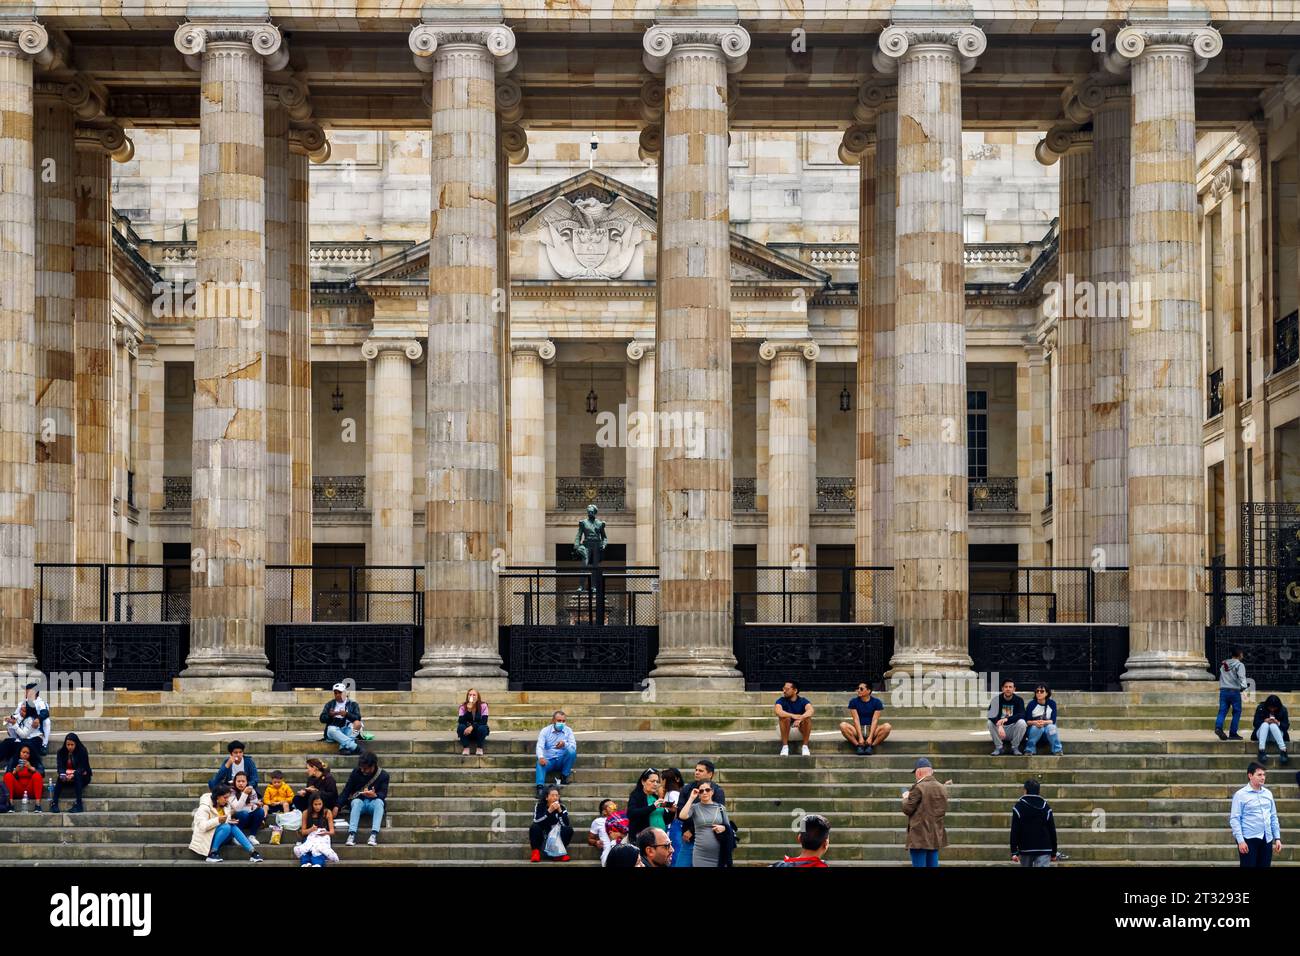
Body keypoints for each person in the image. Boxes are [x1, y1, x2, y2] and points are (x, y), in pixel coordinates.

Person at [190, 785, 264, 863]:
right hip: (206, 839)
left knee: (231, 826)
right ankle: (212, 853)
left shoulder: (225, 805)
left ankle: (253, 852)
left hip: (219, 835)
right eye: (225, 797)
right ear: (217, 797)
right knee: (226, 827)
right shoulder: (204, 807)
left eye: (228, 797)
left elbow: (225, 820)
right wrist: (218, 820)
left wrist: (228, 821)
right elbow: (202, 827)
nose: (227, 800)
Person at [676, 759, 726, 868]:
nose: (697, 772)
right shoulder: (687, 788)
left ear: (710, 774)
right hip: (688, 840)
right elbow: (680, 812)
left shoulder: (717, 791)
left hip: (709, 840)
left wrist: (691, 830)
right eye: (696, 770)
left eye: (701, 771)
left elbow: (717, 816)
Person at [1231, 761, 1282, 867]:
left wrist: (1277, 838)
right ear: (1250, 775)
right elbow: (1235, 819)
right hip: (1248, 839)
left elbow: (1273, 816)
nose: (1263, 777)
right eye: (1259, 775)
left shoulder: (1268, 794)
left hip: (1267, 838)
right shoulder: (1240, 795)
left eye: (1264, 775)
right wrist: (1240, 841)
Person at [902, 757, 948, 867]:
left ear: (918, 772)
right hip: (935, 834)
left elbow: (907, 809)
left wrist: (905, 797)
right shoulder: (942, 787)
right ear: (931, 771)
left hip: (919, 837)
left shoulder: (918, 787)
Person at [340, 751, 388, 847]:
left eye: (366, 768)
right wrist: (337, 805)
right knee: (356, 802)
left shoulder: (383, 775)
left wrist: (374, 795)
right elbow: (347, 790)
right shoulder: (356, 772)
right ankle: (352, 834)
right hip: (359, 803)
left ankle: (374, 834)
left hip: (373, 803)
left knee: (379, 802)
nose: (363, 770)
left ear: (373, 766)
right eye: (361, 768)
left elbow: (383, 793)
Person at [1009, 778, 1058, 866]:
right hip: (1044, 847)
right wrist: (1054, 852)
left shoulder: (1019, 807)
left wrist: (1014, 852)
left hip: (1025, 848)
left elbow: (1015, 830)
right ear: (1039, 791)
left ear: (1025, 790)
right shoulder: (1046, 807)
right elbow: (1052, 830)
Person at [840, 681, 891, 755]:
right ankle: (858, 746)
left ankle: (870, 746)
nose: (858, 690)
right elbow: (856, 719)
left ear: (868, 691)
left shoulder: (877, 702)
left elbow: (875, 720)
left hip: (872, 729)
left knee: (887, 727)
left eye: (861, 689)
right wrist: (860, 737)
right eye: (858, 688)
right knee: (843, 725)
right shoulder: (853, 702)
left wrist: (870, 737)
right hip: (858, 729)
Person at [1, 683, 49, 762]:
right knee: (8, 742)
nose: (26, 693)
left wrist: (38, 719)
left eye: (28, 691)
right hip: (23, 732)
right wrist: (10, 720)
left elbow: (45, 713)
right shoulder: (23, 703)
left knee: (47, 721)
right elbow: (16, 715)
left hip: (35, 730)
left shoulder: (41, 703)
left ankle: (44, 744)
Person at [534, 709, 577, 797]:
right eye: (559, 721)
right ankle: (540, 788)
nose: (561, 723)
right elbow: (539, 746)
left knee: (571, 752)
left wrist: (564, 744)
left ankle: (564, 776)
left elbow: (573, 747)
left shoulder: (568, 731)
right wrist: (541, 757)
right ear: (553, 720)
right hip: (549, 760)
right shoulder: (545, 731)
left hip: (562, 760)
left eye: (563, 721)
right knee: (539, 762)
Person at [48, 733, 91, 814]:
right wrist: (63, 774)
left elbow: (83, 768)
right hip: (67, 777)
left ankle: (79, 804)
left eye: (72, 744)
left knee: (78, 775)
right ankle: (54, 802)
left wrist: (73, 774)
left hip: (82, 778)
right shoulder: (61, 752)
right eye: (68, 744)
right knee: (60, 777)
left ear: (76, 744)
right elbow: (60, 767)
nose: (70, 747)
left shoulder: (82, 751)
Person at [528, 785, 573, 862]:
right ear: (546, 797)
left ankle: (559, 854)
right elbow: (536, 820)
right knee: (534, 827)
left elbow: (565, 824)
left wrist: (560, 812)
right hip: (543, 833)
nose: (555, 798)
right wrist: (548, 811)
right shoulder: (539, 806)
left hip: (556, 836)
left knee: (568, 829)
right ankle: (535, 853)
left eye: (557, 795)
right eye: (552, 795)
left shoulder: (562, 807)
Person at [319, 683, 367, 755]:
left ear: (345, 693)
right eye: (335, 693)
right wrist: (330, 715)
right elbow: (322, 719)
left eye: (340, 692)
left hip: (347, 730)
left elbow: (358, 717)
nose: (337, 695)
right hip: (334, 732)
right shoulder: (330, 704)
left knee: (357, 723)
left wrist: (346, 714)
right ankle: (355, 747)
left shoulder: (353, 704)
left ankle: (343, 748)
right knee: (331, 729)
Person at [296, 793, 338, 868]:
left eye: (320, 804)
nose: (318, 807)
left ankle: (317, 863)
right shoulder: (306, 813)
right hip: (310, 836)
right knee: (306, 850)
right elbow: (303, 832)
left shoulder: (327, 812)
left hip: (323, 837)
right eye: (315, 804)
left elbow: (332, 831)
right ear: (311, 804)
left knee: (319, 850)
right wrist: (311, 829)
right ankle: (306, 863)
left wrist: (325, 832)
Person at [986, 679, 1027, 756]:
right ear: (1002, 689)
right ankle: (999, 747)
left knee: (1022, 722)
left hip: (1012, 730)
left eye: (1010, 687)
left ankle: (1015, 747)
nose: (1008, 689)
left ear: (1014, 689)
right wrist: (999, 725)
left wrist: (1006, 719)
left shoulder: (1019, 700)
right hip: (999, 731)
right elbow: (990, 715)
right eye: (1006, 687)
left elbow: (1022, 714)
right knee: (989, 722)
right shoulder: (996, 700)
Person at [1216, 645, 1248, 741]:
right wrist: (1244, 687)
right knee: (1237, 712)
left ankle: (1218, 727)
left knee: (1222, 711)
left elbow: (1222, 677)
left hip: (1223, 690)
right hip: (1234, 691)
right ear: (1240, 654)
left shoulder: (1224, 664)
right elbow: (1242, 677)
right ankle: (1233, 733)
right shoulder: (1239, 665)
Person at [774, 680, 814, 756]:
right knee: (785, 717)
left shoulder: (803, 701)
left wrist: (800, 718)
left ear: (795, 690)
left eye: (787, 689)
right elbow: (778, 711)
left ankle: (805, 746)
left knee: (807, 718)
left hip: (800, 731)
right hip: (784, 732)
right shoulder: (781, 700)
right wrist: (793, 716)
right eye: (783, 688)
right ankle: (785, 747)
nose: (784, 691)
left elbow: (811, 710)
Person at [1023, 684, 1063, 756]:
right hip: (1034, 732)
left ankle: (1057, 750)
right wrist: (1035, 722)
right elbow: (1027, 721)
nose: (1039, 693)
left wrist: (1043, 722)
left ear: (1047, 693)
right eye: (1037, 691)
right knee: (1037, 727)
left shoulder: (1052, 703)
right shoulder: (1031, 704)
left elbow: (1053, 720)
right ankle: (1029, 749)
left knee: (1052, 727)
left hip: (1047, 734)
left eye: (1042, 691)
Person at [227, 770, 265, 843]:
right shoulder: (231, 791)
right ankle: (236, 836)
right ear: (235, 782)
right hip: (237, 818)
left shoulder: (251, 790)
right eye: (238, 781)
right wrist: (244, 793)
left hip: (249, 817)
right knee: (244, 813)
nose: (241, 783)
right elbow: (237, 808)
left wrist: (257, 805)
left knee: (260, 811)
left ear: (247, 782)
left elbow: (253, 805)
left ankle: (252, 836)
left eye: (243, 781)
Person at [1252, 694, 1290, 765]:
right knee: (1265, 724)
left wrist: (1278, 723)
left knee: (1273, 725)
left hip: (1275, 736)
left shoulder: (1283, 710)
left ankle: (1283, 750)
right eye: (1270, 707)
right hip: (1262, 735)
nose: (1272, 709)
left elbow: (1286, 726)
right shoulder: (1261, 707)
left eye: (1274, 708)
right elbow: (1255, 723)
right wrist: (1264, 720)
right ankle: (1261, 750)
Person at [4, 744, 43, 810]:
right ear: (19, 753)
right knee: (8, 775)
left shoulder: (34, 761)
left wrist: (31, 768)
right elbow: (7, 774)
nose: (25, 754)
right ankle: (10, 804)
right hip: (17, 790)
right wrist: (15, 771)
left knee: (37, 775)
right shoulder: (13, 760)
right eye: (23, 752)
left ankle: (38, 805)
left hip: (30, 790)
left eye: (27, 753)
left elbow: (42, 773)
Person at [262, 769, 296, 843]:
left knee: (286, 804)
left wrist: (284, 801)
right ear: (271, 781)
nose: (276, 784)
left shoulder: (286, 787)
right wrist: (270, 802)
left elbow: (292, 797)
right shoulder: (269, 788)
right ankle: (263, 820)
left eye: (278, 782)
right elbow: (265, 799)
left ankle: (287, 820)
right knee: (265, 806)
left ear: (282, 780)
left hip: (282, 805)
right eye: (274, 782)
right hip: (273, 805)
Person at [627, 768, 662, 837]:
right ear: (643, 782)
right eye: (652, 781)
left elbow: (663, 818)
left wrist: (671, 812)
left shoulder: (656, 797)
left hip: (659, 837)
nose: (655, 784)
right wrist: (652, 807)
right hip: (643, 837)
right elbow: (631, 813)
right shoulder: (636, 796)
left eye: (657, 782)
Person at [660, 767, 685, 858]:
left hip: (674, 825)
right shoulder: (670, 792)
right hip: (673, 825)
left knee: (674, 851)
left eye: (663, 779)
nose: (661, 782)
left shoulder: (673, 793)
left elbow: (675, 808)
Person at [457, 688, 489, 756]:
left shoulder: (483, 706)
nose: (471, 696)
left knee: (483, 728)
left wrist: (472, 727)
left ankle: (479, 747)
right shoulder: (462, 706)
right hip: (466, 732)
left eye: (474, 695)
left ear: (478, 697)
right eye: (470, 695)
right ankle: (466, 747)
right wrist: (468, 711)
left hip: (478, 731)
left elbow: (484, 721)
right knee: (460, 727)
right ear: (467, 696)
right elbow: (461, 721)